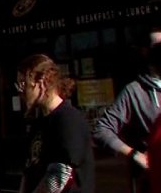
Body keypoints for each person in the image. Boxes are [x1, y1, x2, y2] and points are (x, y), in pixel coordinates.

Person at [93, 28, 161, 192]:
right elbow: (101, 130)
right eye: (158, 47)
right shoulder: (135, 91)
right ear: (146, 52)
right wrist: (133, 154)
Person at [16, 54, 95, 193]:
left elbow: (59, 176)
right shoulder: (39, 124)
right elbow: (29, 170)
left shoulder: (68, 119)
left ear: (41, 82)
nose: (20, 92)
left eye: (23, 84)